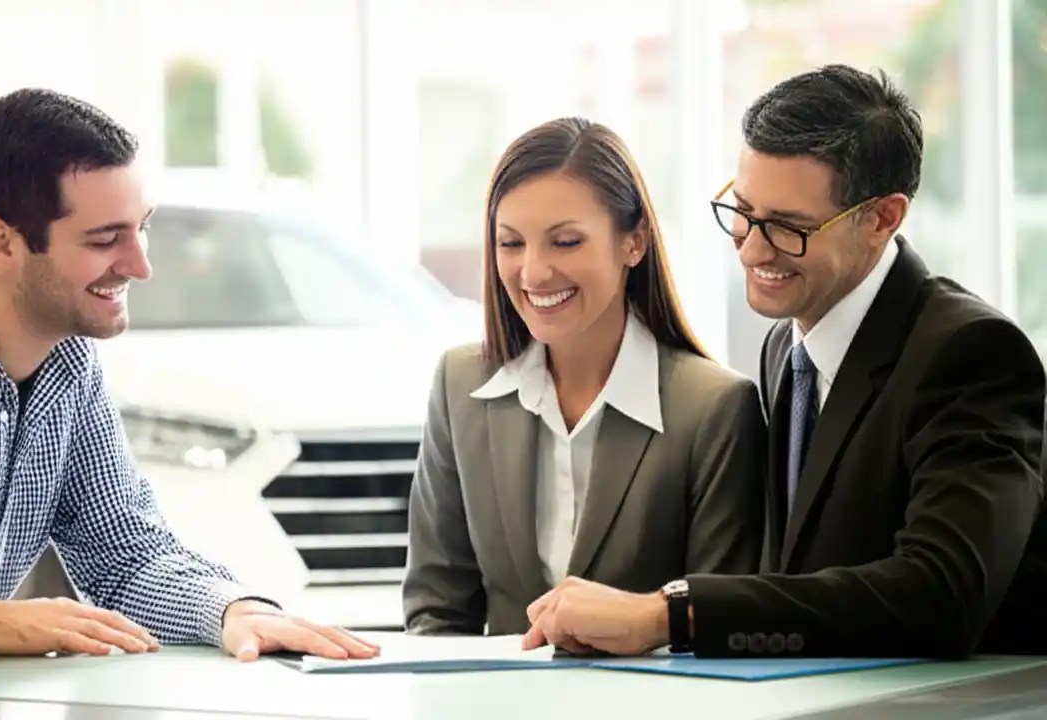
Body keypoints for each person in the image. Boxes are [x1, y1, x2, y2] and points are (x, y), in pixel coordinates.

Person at [0, 88, 379, 665]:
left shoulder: (68, 362)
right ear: (1, 241)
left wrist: (232, 610)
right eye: (104, 239)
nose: (140, 265)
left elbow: (127, 557)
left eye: (141, 227)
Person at [522, 65, 1047, 658]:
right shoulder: (786, 348)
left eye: (788, 228)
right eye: (743, 212)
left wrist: (672, 614)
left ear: (883, 218)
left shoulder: (970, 353)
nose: (750, 248)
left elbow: (942, 593)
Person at [402, 117, 766, 637]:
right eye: (511, 244)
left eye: (565, 242)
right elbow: (436, 613)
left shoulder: (714, 408)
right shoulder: (459, 386)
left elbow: (720, 621)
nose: (533, 273)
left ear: (633, 242)